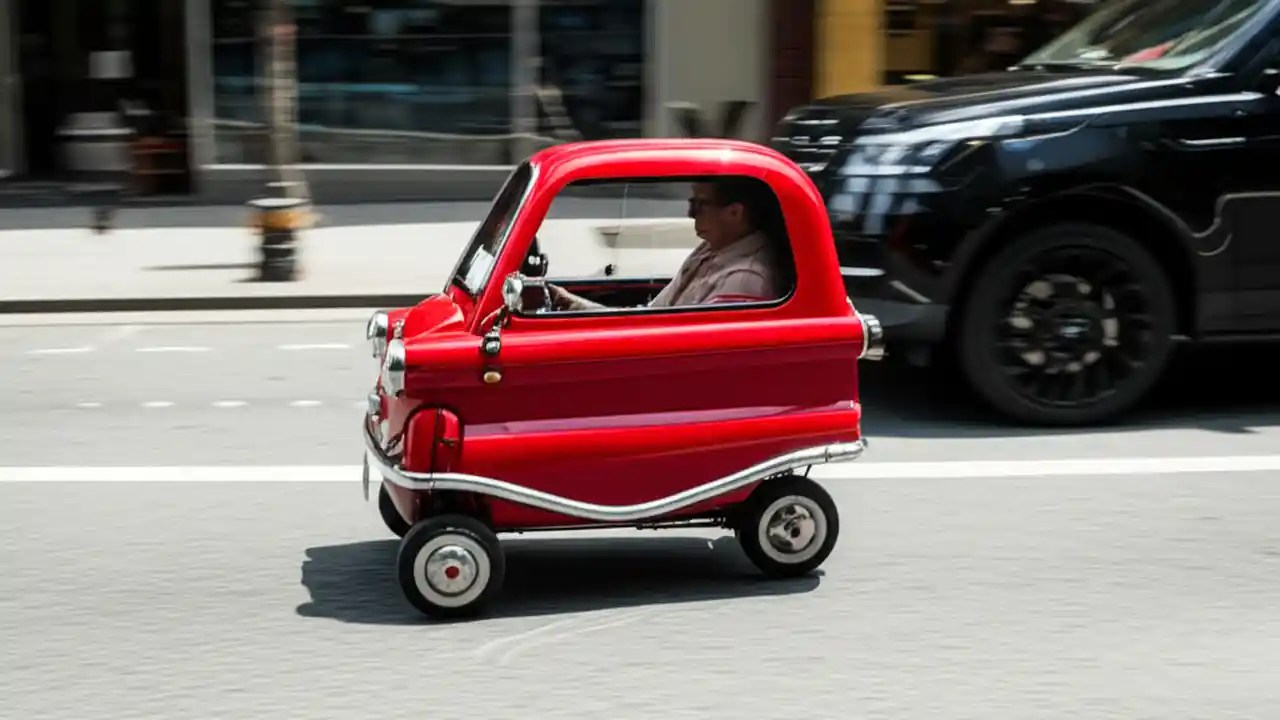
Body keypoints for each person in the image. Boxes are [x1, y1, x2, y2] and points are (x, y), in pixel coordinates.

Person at [550, 177, 790, 311]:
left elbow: (696, 357)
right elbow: (649, 317)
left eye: (700, 205)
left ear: (735, 213)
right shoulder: (710, 251)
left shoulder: (745, 277)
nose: (690, 214)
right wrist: (573, 304)